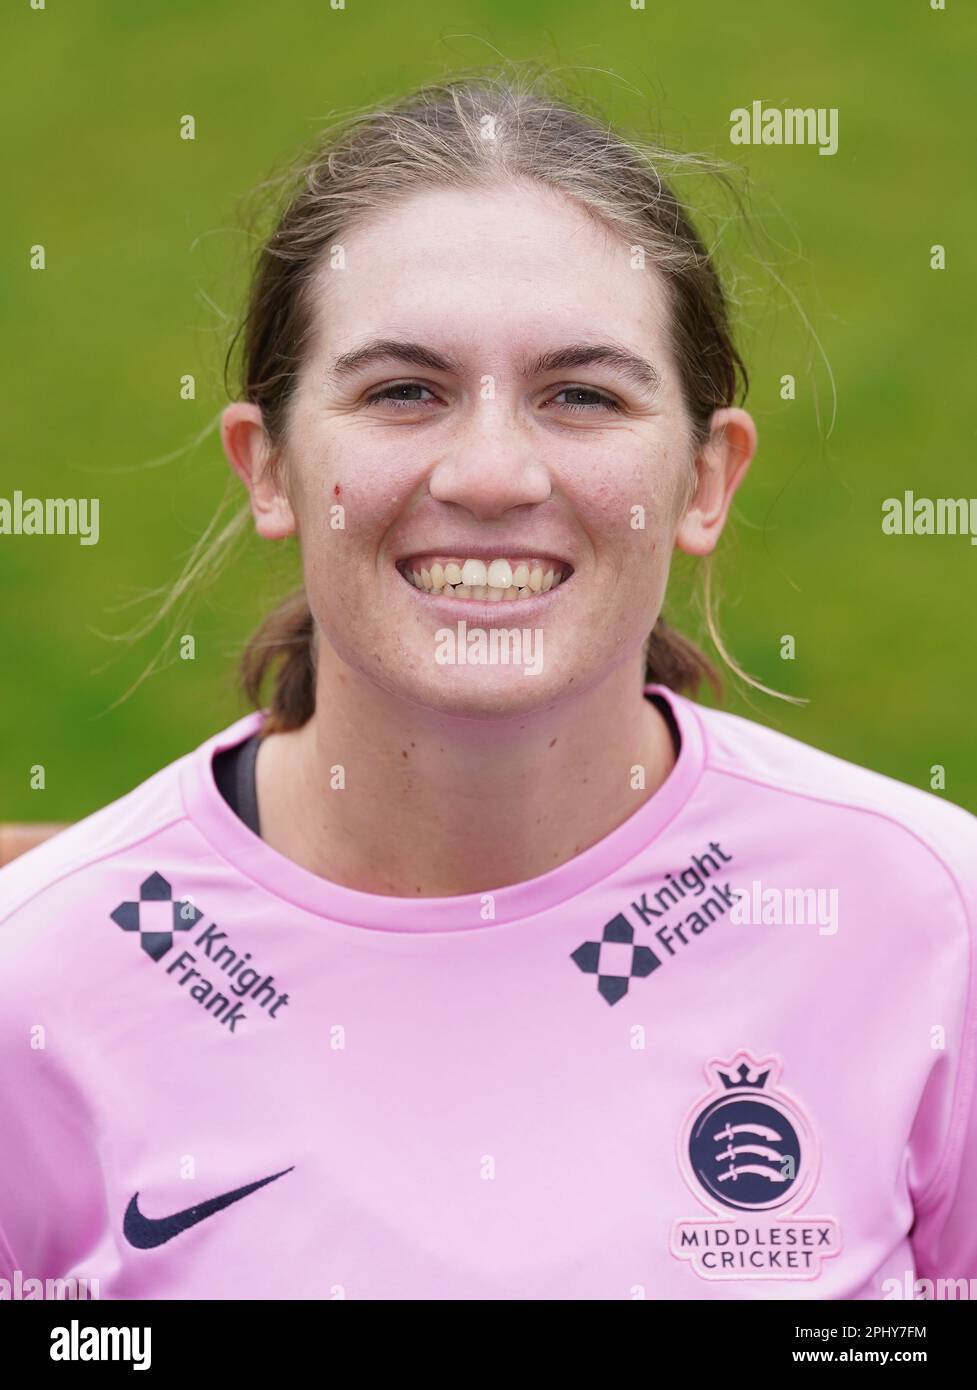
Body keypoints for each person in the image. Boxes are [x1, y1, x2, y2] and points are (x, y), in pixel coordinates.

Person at [1, 69, 975, 1302]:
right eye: (403, 390)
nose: (493, 472)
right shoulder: (35, 985)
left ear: (705, 479)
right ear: (269, 467)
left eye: (581, 394)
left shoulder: (933, 925)